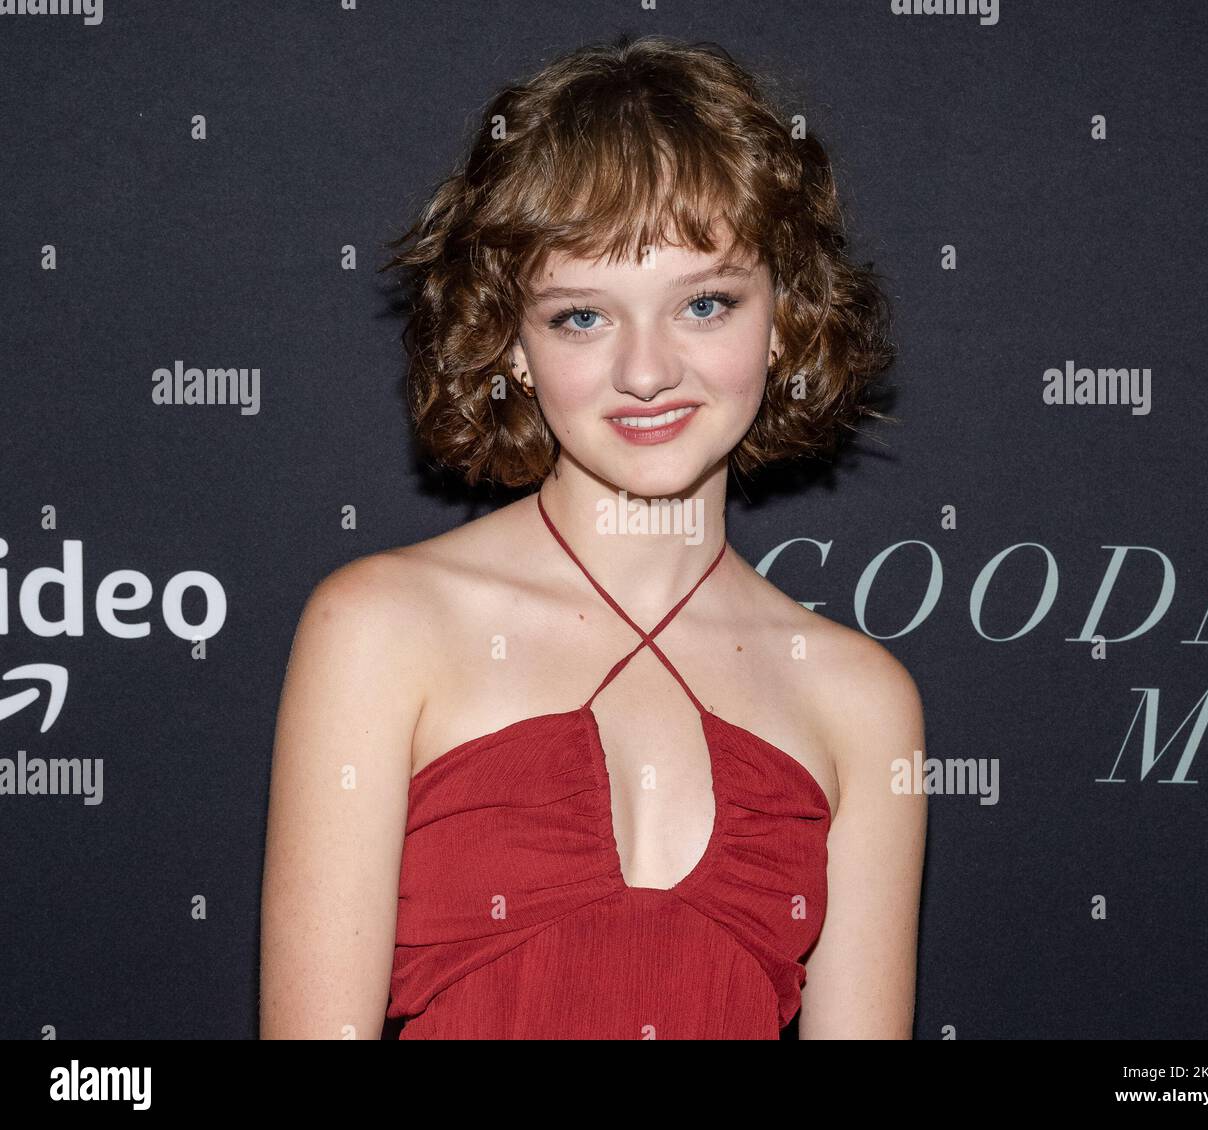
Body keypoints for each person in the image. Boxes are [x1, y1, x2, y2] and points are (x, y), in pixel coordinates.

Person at [259, 32, 926, 1040]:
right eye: (581, 318)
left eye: (704, 302)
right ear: (511, 345)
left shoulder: (861, 700)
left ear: (783, 318)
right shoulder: (381, 627)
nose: (648, 371)